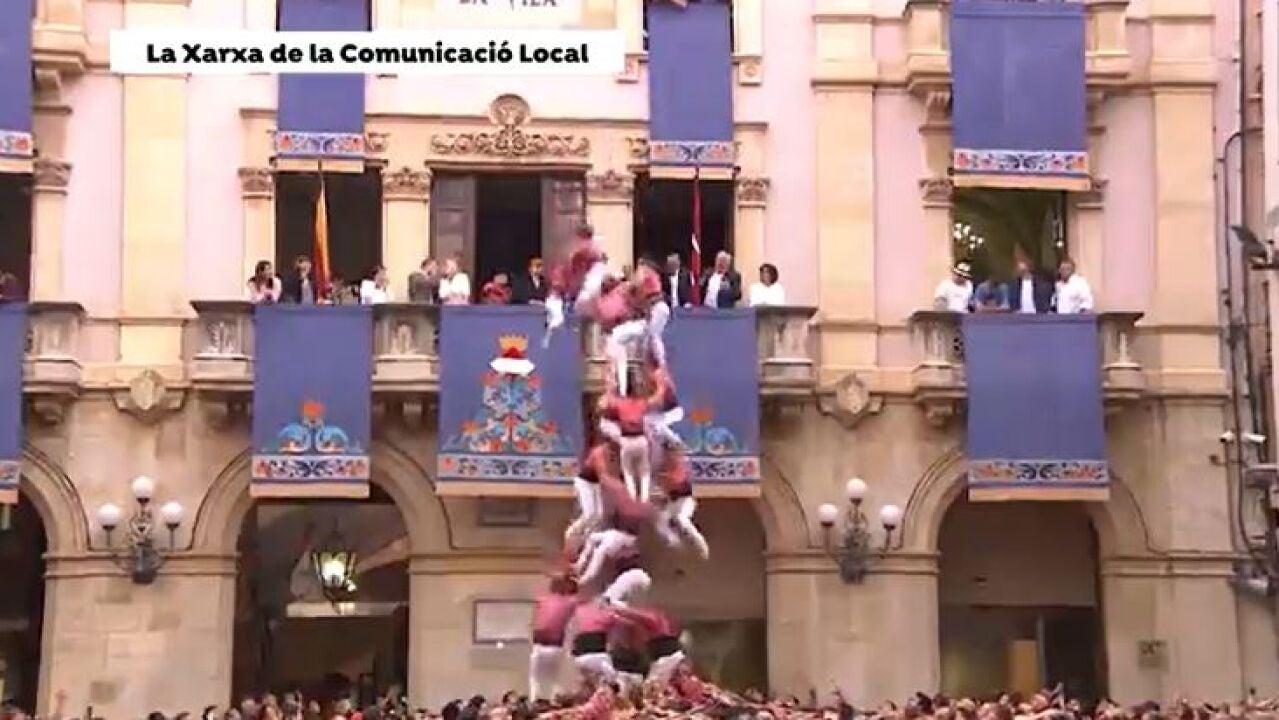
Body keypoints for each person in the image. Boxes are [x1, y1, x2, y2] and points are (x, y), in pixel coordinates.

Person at [528, 572, 581, 702]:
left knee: (537, 678)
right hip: (550, 645)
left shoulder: (548, 600)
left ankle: (537, 699)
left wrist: (565, 579)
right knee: (549, 678)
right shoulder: (568, 602)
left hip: (543, 644)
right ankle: (547, 699)